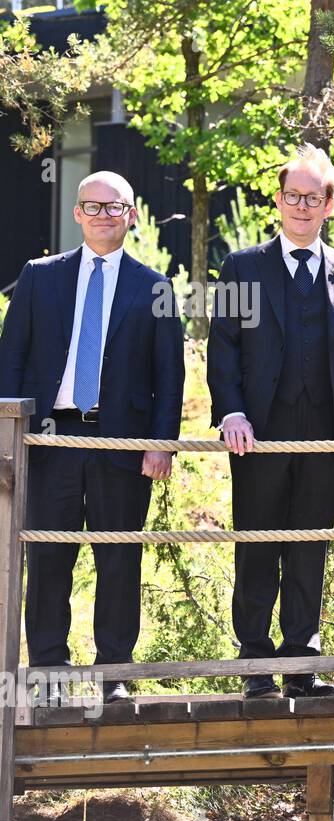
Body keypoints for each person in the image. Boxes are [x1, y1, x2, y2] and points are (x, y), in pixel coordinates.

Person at [0, 171, 184, 706]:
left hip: (121, 444)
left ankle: (113, 673)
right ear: (78, 214)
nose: (105, 215)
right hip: (48, 441)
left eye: (116, 207)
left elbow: (170, 375)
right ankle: (49, 675)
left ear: (131, 214)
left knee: (119, 560)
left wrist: (161, 443)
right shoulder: (38, 277)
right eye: (94, 206)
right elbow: (11, 358)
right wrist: (8, 438)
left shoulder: (156, 287)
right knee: (49, 560)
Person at [207, 145, 334, 700]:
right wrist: (231, 413)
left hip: (328, 436)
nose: (301, 206)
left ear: (330, 204)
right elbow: (224, 349)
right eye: (293, 196)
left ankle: (301, 665)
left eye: (313, 197)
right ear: (278, 201)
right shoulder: (243, 268)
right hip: (257, 435)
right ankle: (255, 666)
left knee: (309, 545)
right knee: (257, 544)